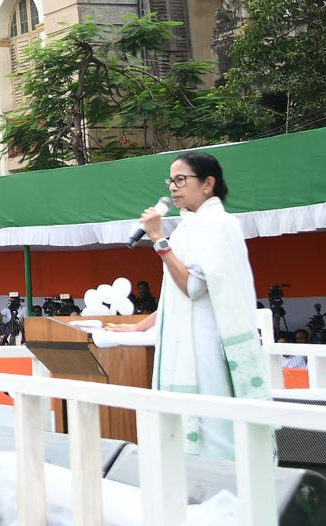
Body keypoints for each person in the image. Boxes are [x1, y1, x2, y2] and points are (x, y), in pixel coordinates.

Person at [109, 152, 269, 458]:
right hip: (190, 339)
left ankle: (222, 487)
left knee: (212, 422)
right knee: (191, 421)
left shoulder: (217, 225)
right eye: (171, 180)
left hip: (206, 343)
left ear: (208, 184)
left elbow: (193, 287)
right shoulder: (190, 227)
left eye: (181, 179)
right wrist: (139, 326)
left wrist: (158, 240)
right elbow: (176, 297)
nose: (173, 187)